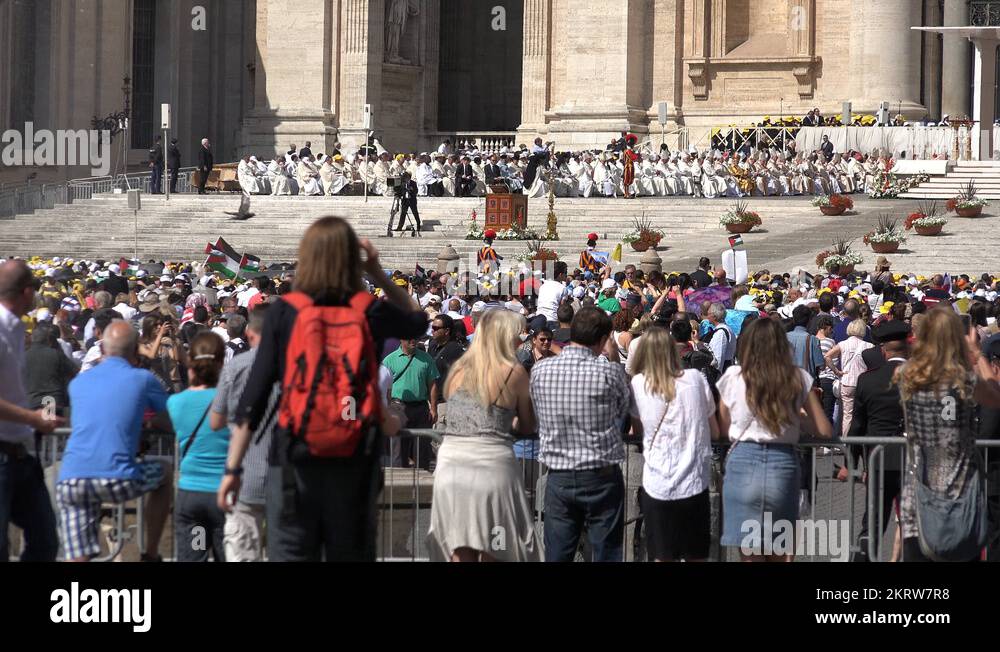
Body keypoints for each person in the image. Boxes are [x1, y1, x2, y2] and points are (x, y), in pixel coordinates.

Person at [221, 217, 428, 562]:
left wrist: (232, 469)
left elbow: (253, 400)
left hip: (294, 457)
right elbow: (418, 320)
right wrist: (377, 274)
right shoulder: (367, 310)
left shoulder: (285, 312)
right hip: (355, 458)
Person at [427, 310, 541, 561]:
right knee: (496, 544)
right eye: (517, 335)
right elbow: (527, 424)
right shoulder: (514, 371)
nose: (521, 341)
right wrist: (507, 420)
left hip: (451, 465)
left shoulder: (459, 369)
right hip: (490, 464)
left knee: (459, 544)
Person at [717, 318, 832, 561]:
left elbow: (724, 426)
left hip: (742, 463)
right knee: (779, 550)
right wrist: (793, 420)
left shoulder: (734, 376)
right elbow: (824, 429)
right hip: (782, 464)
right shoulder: (797, 377)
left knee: (749, 553)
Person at [56, 321, 171, 562]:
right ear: (135, 352)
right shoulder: (142, 378)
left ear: (104, 349)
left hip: (71, 479)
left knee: (77, 556)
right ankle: (150, 553)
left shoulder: (78, 382)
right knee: (165, 473)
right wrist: (148, 425)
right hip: (118, 477)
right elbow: (170, 417)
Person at [530, 307, 638, 562]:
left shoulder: (541, 371)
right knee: (606, 552)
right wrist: (613, 358)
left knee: (558, 553)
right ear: (603, 340)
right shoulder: (610, 372)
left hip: (559, 475)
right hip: (600, 475)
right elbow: (623, 411)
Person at [896, 308, 1000, 561]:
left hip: (920, 486)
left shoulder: (906, 375)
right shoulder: (964, 379)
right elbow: (996, 398)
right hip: (960, 487)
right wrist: (976, 354)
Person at [631, 326, 719, 561]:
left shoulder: (638, 384)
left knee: (662, 556)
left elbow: (636, 429)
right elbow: (715, 428)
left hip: (658, 482)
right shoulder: (695, 378)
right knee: (695, 555)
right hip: (693, 482)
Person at [0, 261, 63, 561]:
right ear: (27, 293)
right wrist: (32, 418)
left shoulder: (15, 328)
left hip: (20, 453)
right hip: (4, 455)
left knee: (45, 541)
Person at [847, 320, 910, 562]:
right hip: (913, 461)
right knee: (915, 527)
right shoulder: (922, 378)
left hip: (878, 462)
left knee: (872, 527)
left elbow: (857, 427)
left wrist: (852, 464)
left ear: (884, 351)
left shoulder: (867, 380)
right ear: (908, 349)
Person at [169, 331, 230, 561]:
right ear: (222, 361)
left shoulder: (176, 402)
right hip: (224, 493)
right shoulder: (233, 398)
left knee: (194, 555)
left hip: (191, 493)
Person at [384, 337, 440, 469]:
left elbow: (432, 385)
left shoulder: (426, 358)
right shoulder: (389, 360)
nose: (413, 341)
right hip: (398, 408)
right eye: (409, 338)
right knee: (399, 449)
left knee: (422, 448)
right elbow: (385, 386)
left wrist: (433, 408)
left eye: (416, 338)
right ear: (401, 339)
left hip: (420, 408)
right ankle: (401, 482)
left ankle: (423, 480)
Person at [824, 319, 874, 437]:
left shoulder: (843, 344)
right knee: (863, 414)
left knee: (847, 415)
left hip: (847, 381)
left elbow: (827, 357)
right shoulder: (869, 346)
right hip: (863, 383)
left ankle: (847, 442)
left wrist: (837, 371)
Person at [23, 322, 78, 414]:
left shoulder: (23, 356)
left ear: (32, 339)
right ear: (48, 340)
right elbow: (74, 372)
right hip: (51, 400)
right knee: (49, 426)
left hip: (30, 402)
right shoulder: (56, 354)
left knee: (33, 427)